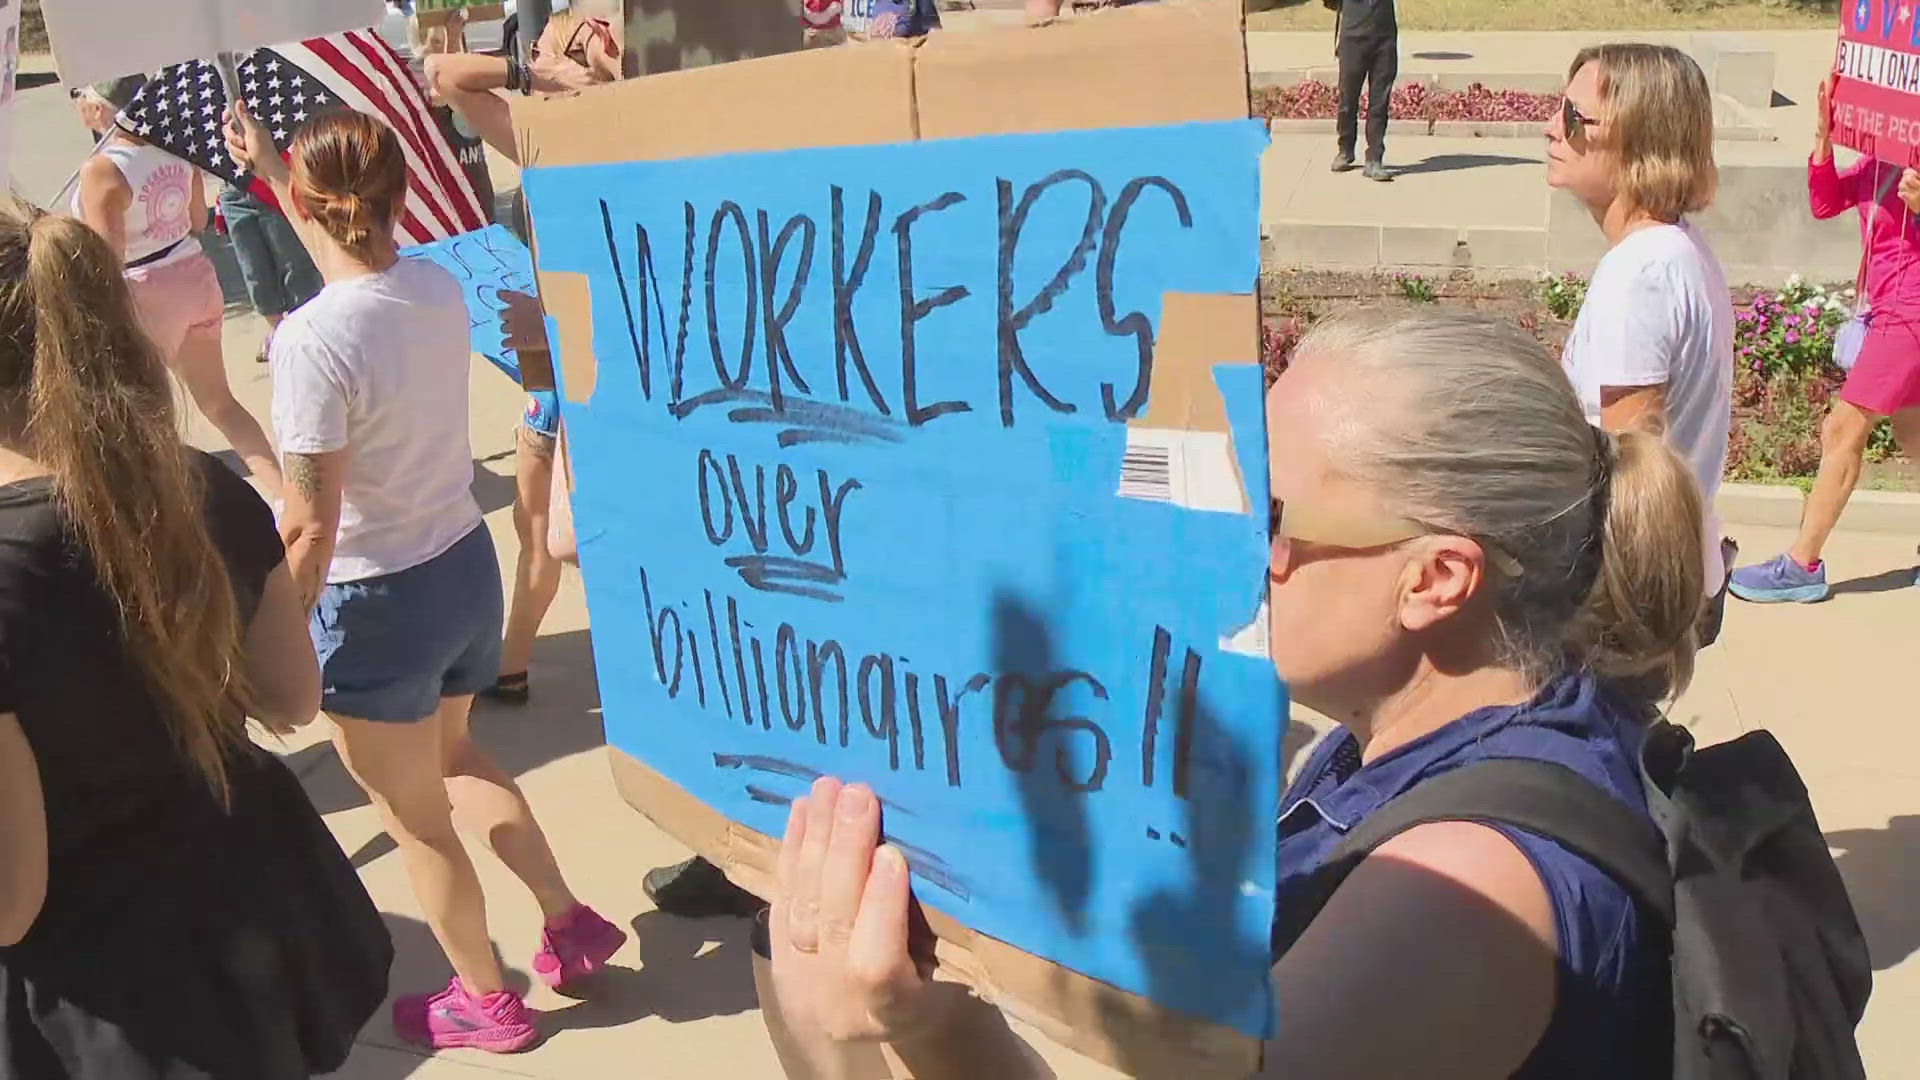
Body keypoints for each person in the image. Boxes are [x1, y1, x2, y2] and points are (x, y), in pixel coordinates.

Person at [756, 307, 1707, 1078]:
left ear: (1436, 579)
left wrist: (907, 1033)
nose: (1228, 539)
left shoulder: (1461, 893)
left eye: (1274, 512)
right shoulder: (1411, 734)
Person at [225, 106, 624, 1053]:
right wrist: (276, 166)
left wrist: (272, 632)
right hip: (459, 571)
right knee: (459, 760)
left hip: (375, 601)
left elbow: (313, 527)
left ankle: (485, 1001)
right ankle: (568, 921)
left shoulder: (310, 341)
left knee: (415, 823)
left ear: (300, 205)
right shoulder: (439, 285)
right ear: (400, 194)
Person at [0, 202, 390, 1077]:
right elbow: (293, 697)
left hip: (115, 995)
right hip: (246, 918)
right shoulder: (197, 485)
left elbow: (10, 901)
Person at [432, 14, 763, 918]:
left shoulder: (675, 132)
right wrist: (542, 76)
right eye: (547, 38)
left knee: (707, 630)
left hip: (672, 413)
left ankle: (742, 852)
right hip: (589, 400)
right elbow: (448, 78)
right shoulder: (553, 132)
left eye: (569, 38)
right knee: (609, 579)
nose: (545, 48)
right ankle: (725, 843)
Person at [1546, 43, 1735, 645]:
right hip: (1671, 577)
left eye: (1576, 119)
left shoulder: (1641, 274)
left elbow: (1632, 468)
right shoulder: (1676, 248)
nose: (1553, 127)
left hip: (1628, 596)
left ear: (1637, 142)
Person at [1729, 74, 1920, 603]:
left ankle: (1802, 564)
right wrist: (1823, 137)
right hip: (1890, 307)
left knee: (1843, 428)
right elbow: (1825, 202)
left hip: (1910, 314)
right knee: (1912, 432)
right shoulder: (1882, 159)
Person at [70, 76, 284, 496]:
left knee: (143, 415)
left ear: (99, 109)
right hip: (193, 274)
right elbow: (198, 222)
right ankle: (283, 494)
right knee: (220, 403)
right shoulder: (173, 149)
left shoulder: (101, 169)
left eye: (80, 95)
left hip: (143, 291)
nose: (76, 103)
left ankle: (170, 518)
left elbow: (105, 257)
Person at [220, 178, 324, 363]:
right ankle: (277, 332)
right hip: (233, 187)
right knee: (254, 269)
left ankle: (307, 333)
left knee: (294, 265)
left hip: (271, 181)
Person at [1331, 0, 1397, 181]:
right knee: (1348, 99)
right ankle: (1345, 149)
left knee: (1379, 102)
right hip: (1353, 35)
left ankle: (1374, 159)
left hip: (1384, 37)